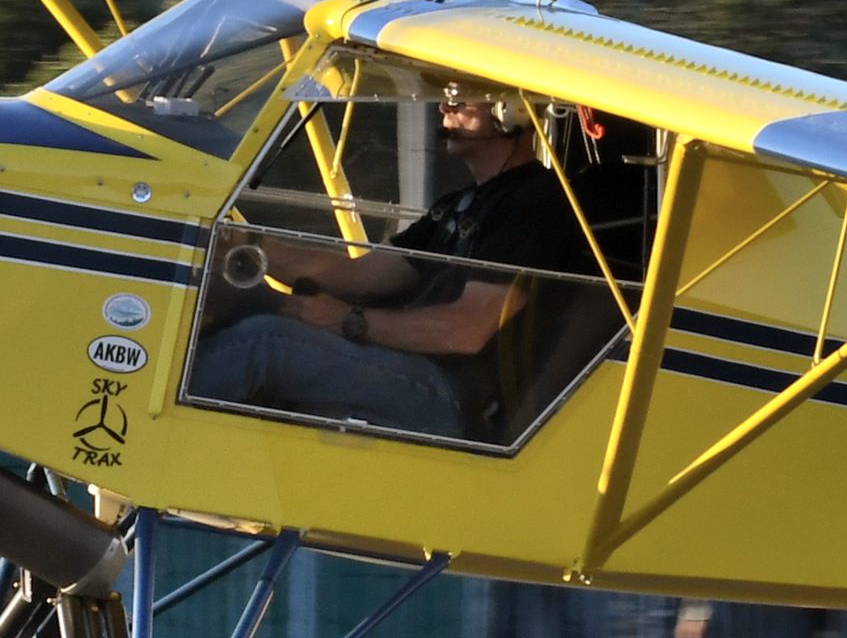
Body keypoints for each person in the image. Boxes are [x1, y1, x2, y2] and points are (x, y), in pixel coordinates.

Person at [187, 90, 605, 441]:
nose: (444, 107)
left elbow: (466, 331)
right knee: (249, 305)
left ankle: (159, 443)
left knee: (265, 342)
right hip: (413, 372)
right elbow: (363, 276)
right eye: (446, 95)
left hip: (453, 397)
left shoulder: (532, 204)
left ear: (510, 111)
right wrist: (248, 246)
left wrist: (347, 321)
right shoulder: (460, 203)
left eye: (461, 97)